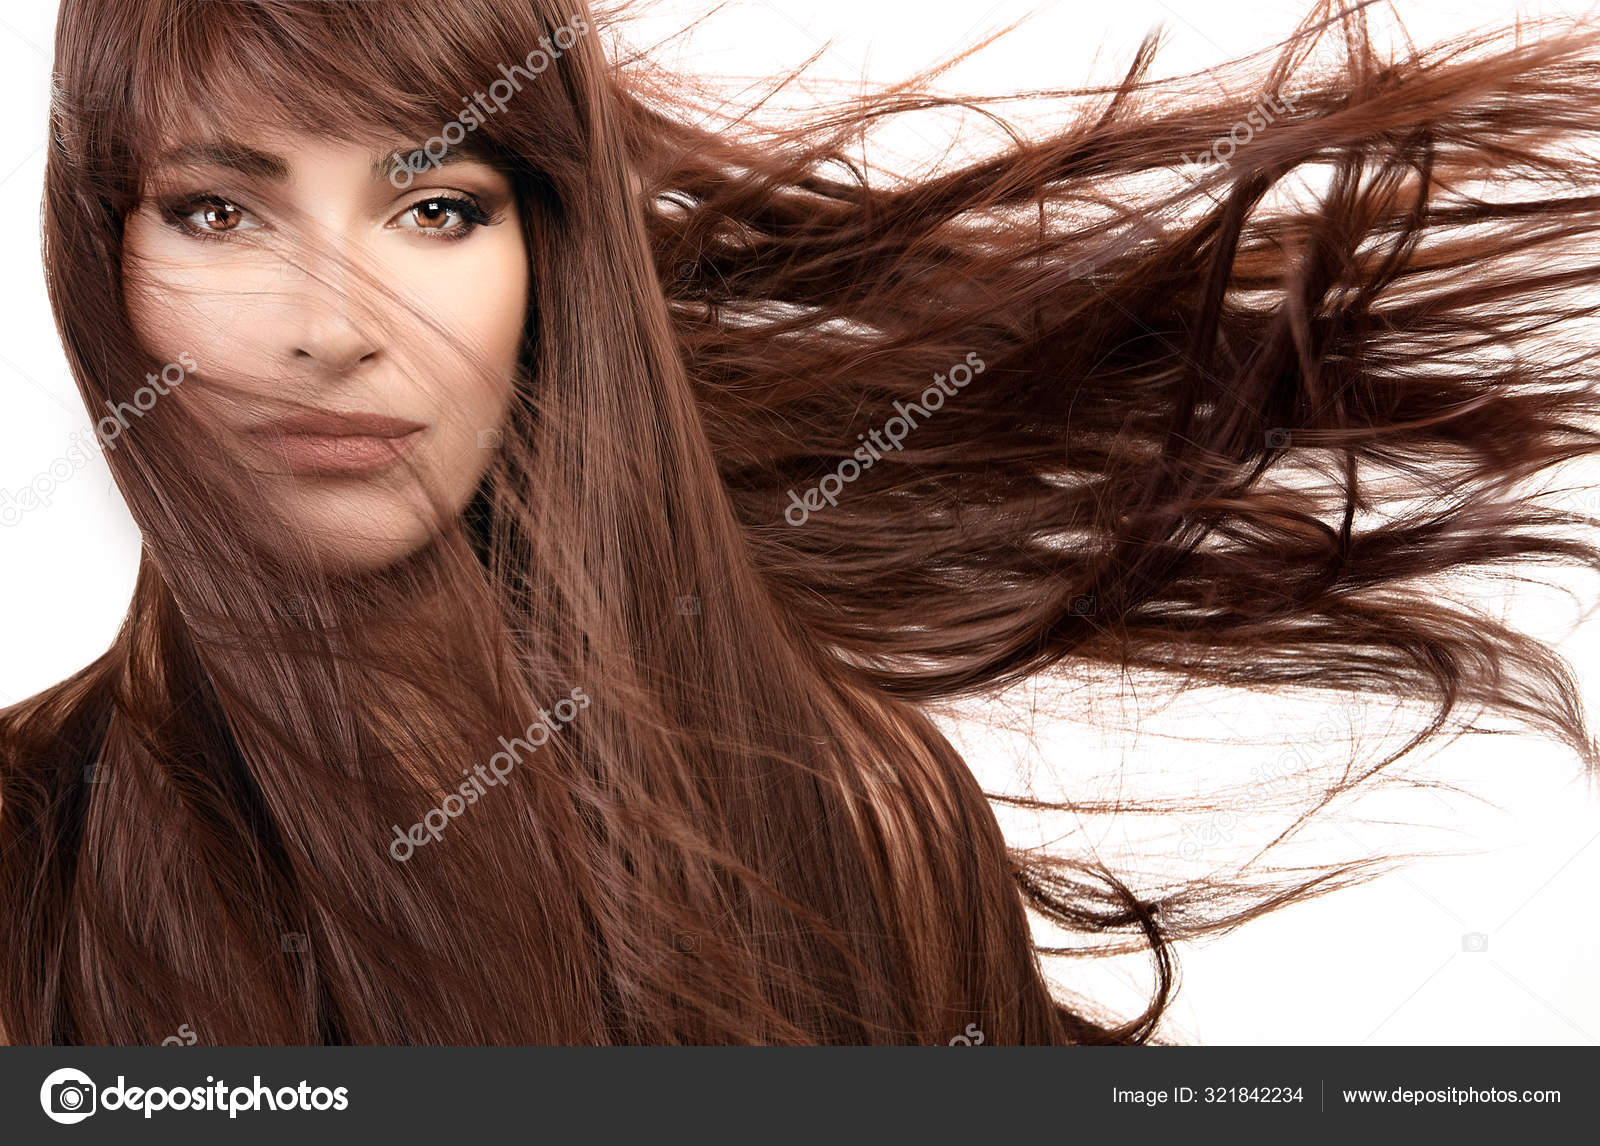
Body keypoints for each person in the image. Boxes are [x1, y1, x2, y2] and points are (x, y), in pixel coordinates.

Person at [3, 0, 1599, 1045]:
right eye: (217, 209)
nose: (331, 327)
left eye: (436, 208)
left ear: (548, 267)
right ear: (104, 264)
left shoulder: (853, 819)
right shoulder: (23, 855)